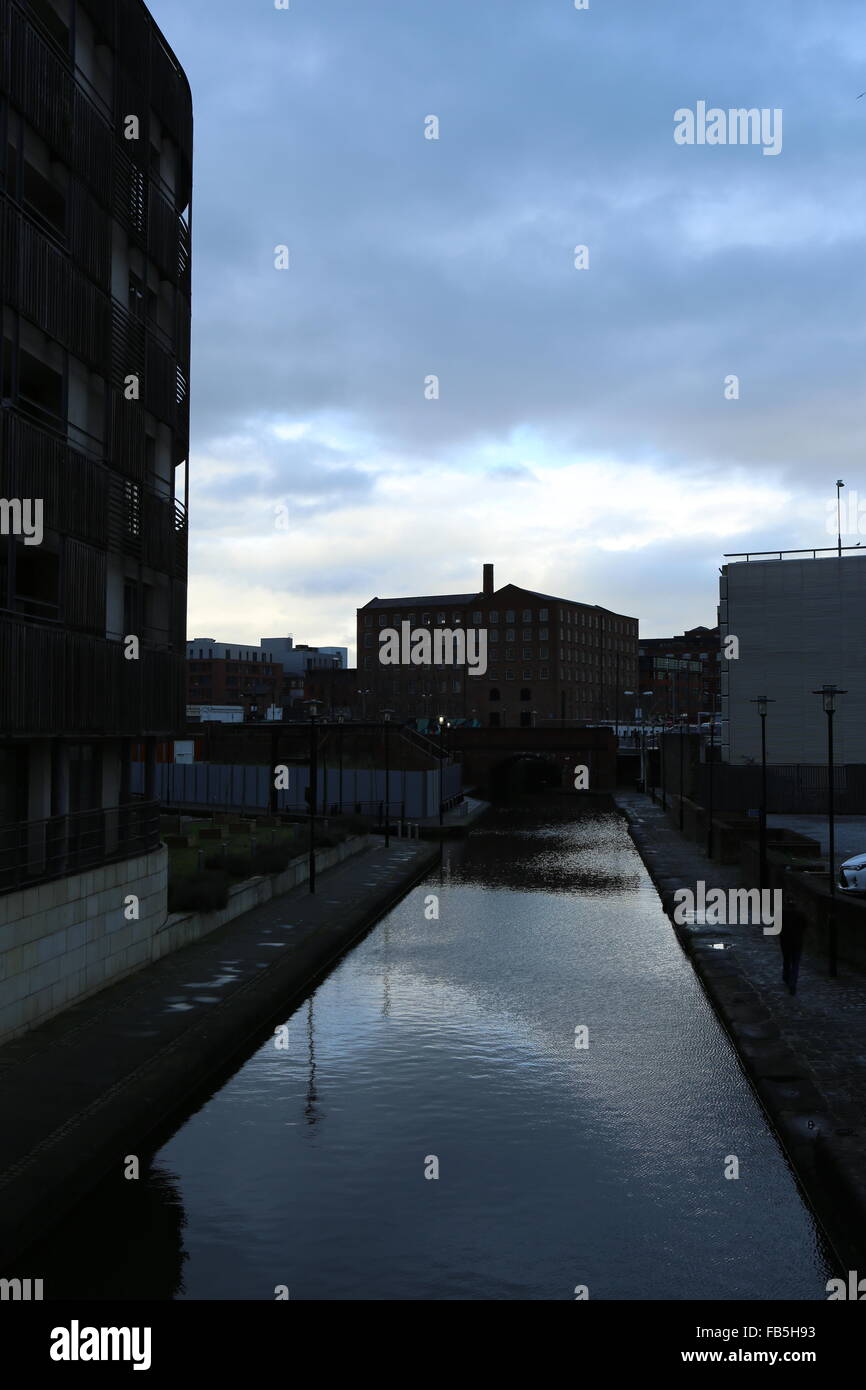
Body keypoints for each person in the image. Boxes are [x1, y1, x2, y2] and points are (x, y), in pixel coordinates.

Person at [778, 897, 808, 996]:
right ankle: (792, 983)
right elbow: (805, 926)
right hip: (797, 941)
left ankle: (786, 977)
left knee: (786, 959)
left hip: (785, 941)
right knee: (795, 963)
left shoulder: (782, 913)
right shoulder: (801, 914)